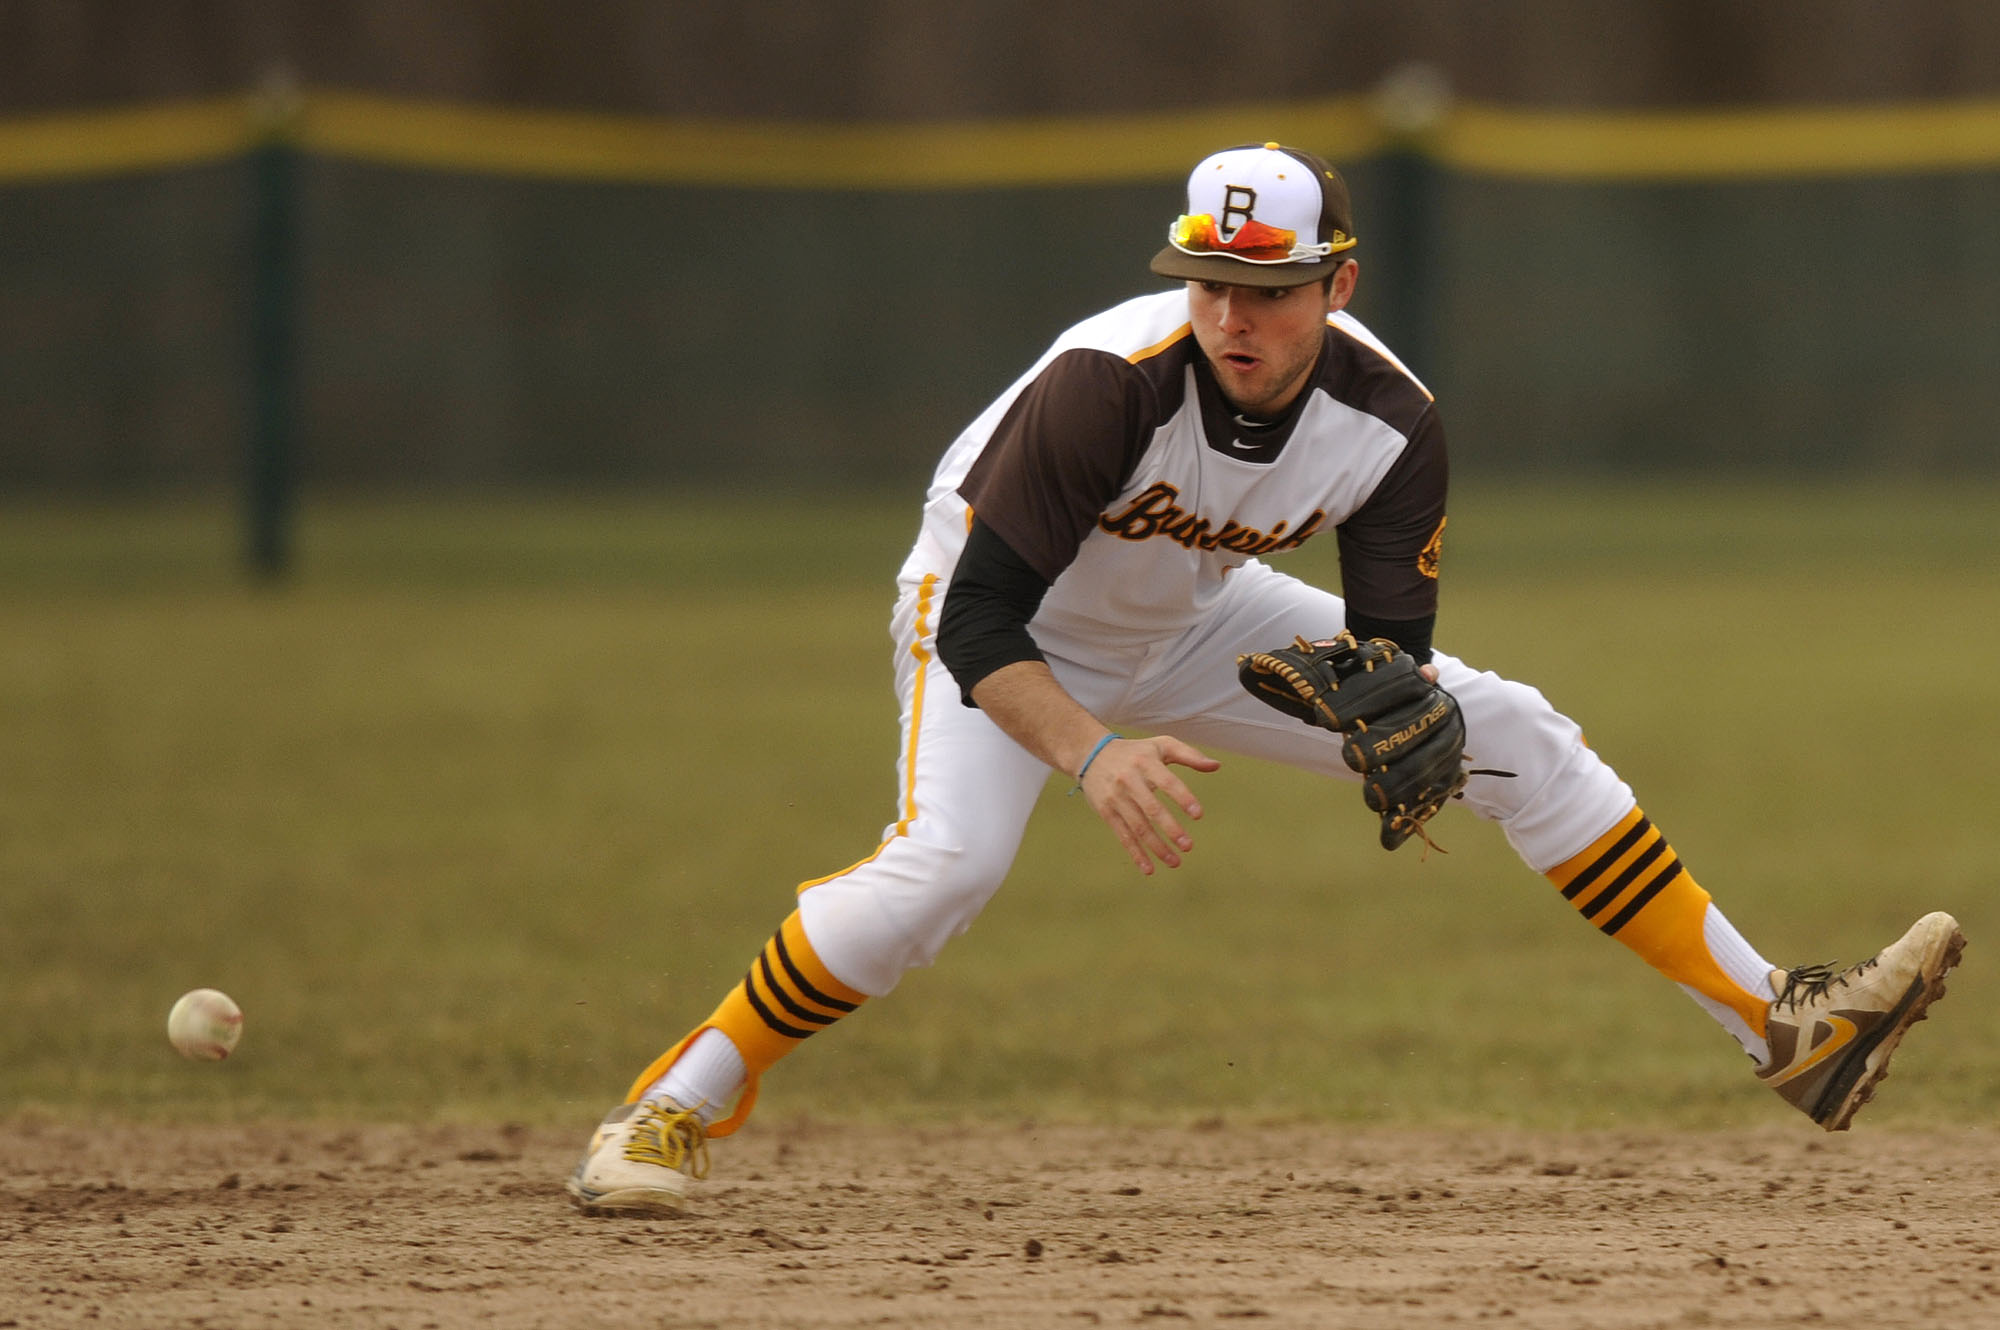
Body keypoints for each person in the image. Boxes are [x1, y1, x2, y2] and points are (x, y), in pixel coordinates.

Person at [565, 142, 1964, 1213]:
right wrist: (1091, 750)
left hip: (1193, 612)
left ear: (1338, 286)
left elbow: (1394, 663)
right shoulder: (1106, 384)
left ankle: (1784, 1025)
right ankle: (671, 1104)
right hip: (1001, 612)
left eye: (1272, 290)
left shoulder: (1390, 425)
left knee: (1512, 734)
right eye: (1211, 283)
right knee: (946, 868)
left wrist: (1397, 711)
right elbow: (981, 622)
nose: (1235, 316)